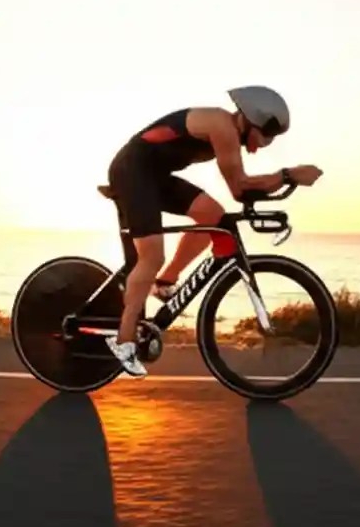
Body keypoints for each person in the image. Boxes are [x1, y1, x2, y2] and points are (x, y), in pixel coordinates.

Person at [102, 85, 324, 377]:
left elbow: (242, 193)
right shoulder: (222, 127)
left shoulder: (228, 132)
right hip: (131, 171)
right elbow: (240, 188)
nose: (266, 143)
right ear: (251, 119)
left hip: (153, 176)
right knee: (151, 256)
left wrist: (281, 184)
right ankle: (124, 341)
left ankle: (165, 282)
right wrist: (287, 175)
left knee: (214, 217)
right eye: (266, 135)